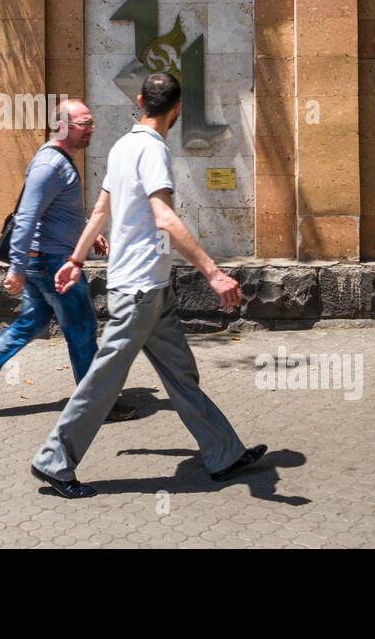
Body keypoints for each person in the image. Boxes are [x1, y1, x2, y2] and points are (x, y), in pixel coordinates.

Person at [29, 72, 267, 499]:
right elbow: (164, 217)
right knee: (103, 381)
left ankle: (223, 452)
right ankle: (54, 460)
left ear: (140, 100)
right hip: (139, 291)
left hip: (153, 289)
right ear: (176, 109)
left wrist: (75, 259)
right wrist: (213, 272)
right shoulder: (153, 150)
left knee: (181, 374)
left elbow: (101, 210)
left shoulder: (122, 146)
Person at [0, 98, 136, 422]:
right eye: (84, 124)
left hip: (46, 259)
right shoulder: (49, 165)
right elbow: (27, 218)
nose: (90, 130)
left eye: (91, 123)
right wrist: (16, 268)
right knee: (82, 328)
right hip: (51, 263)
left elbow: (57, 213)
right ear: (63, 126)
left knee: (32, 322)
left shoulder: (61, 162)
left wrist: (85, 232)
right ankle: (96, 404)